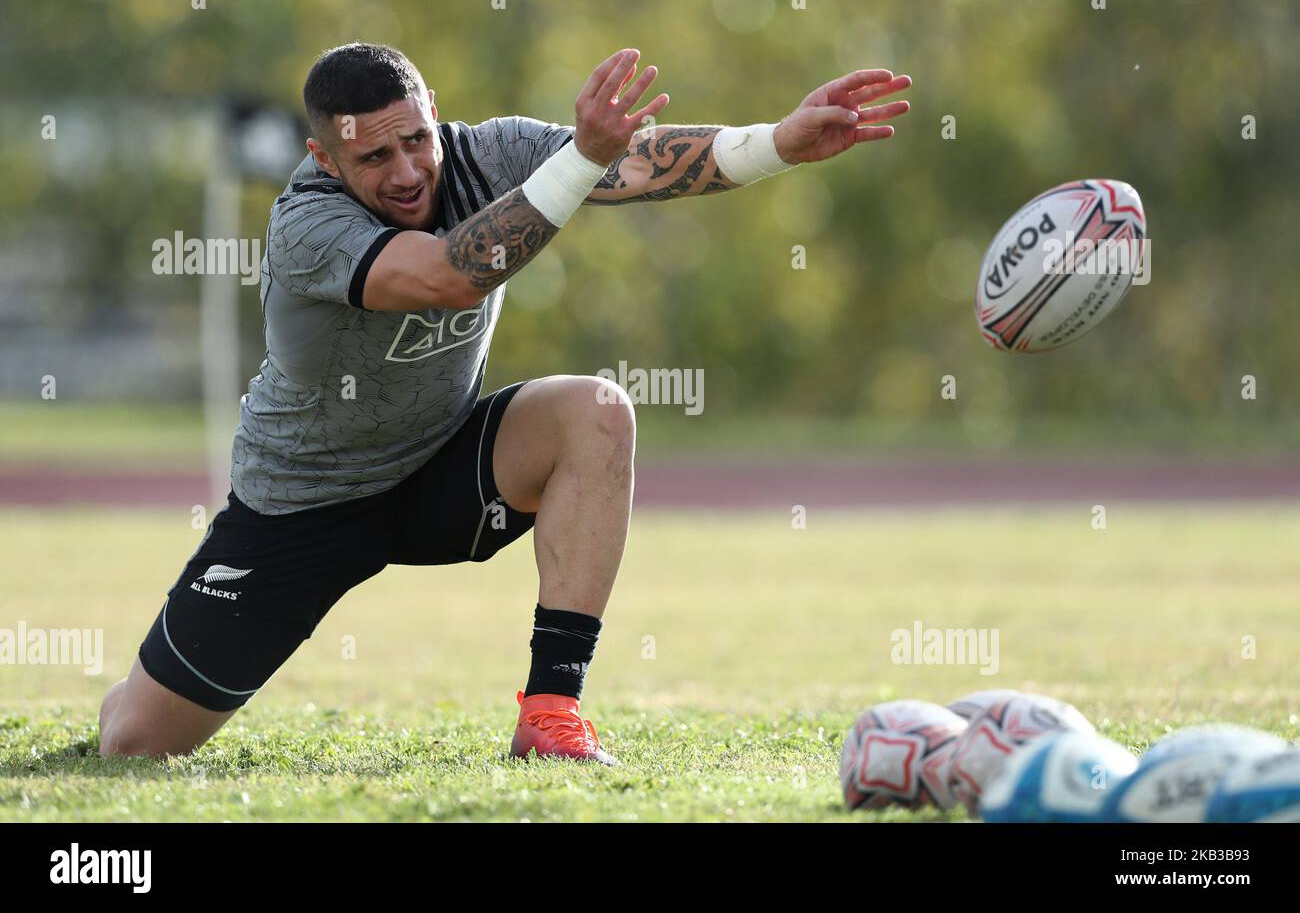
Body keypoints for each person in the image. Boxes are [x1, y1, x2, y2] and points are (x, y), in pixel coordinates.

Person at [97, 42, 911, 763]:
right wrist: (580, 158)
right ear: (325, 157)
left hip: (438, 464)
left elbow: (637, 158)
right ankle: (133, 692)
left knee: (596, 411)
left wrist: (777, 143)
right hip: (302, 504)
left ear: (434, 116)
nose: (408, 169)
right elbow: (449, 273)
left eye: (415, 139)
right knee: (132, 742)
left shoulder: (488, 152)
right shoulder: (305, 223)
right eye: (375, 156)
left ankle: (551, 711)